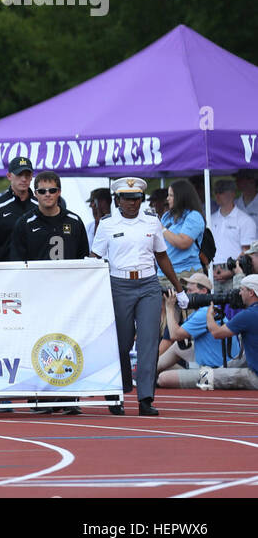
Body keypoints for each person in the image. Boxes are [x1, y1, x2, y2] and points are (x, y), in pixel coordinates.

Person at [90, 177, 187, 416]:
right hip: (118, 284)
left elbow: (162, 256)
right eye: (127, 199)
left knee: (148, 341)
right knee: (120, 344)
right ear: (118, 200)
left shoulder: (152, 222)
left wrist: (179, 288)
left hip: (148, 284)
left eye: (136, 198)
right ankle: (119, 388)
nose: (132, 203)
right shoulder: (107, 224)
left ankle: (145, 397)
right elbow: (95, 258)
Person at [8, 171, 89, 414]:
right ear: (35, 194)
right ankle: (41, 397)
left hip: (68, 298)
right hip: (38, 298)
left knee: (68, 344)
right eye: (42, 191)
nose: (47, 195)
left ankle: (69, 396)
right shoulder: (25, 223)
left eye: (52, 190)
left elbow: (83, 260)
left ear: (59, 192)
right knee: (41, 346)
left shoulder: (74, 222)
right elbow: (17, 262)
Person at [157, 272, 225, 388]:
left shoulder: (204, 313)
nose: (186, 294)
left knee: (163, 378)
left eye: (190, 291)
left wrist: (170, 307)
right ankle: (145, 372)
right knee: (177, 347)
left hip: (215, 372)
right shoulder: (205, 310)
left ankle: (146, 373)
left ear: (203, 291)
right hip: (210, 363)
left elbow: (174, 335)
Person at [201, 274, 258, 389]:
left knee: (203, 377)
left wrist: (209, 315)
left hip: (255, 376)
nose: (239, 293)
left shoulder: (249, 315)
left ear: (251, 292)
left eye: (242, 289)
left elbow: (216, 333)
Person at [0, 156, 38, 262]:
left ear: (32, 177)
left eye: (27, 175)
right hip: (5, 271)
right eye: (19, 174)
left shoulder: (39, 205)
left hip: (36, 271)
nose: (23, 179)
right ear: (9, 176)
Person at [211, 178, 257, 292]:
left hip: (235, 268)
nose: (217, 195)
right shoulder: (210, 219)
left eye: (221, 192)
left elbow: (247, 251)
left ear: (232, 193)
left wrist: (231, 271)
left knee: (234, 307)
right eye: (215, 192)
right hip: (212, 269)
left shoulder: (245, 220)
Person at [159, 179, 207, 282]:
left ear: (181, 196)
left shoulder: (194, 216)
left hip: (185, 273)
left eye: (171, 195)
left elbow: (183, 242)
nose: (167, 199)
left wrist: (162, 229)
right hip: (162, 273)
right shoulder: (167, 216)